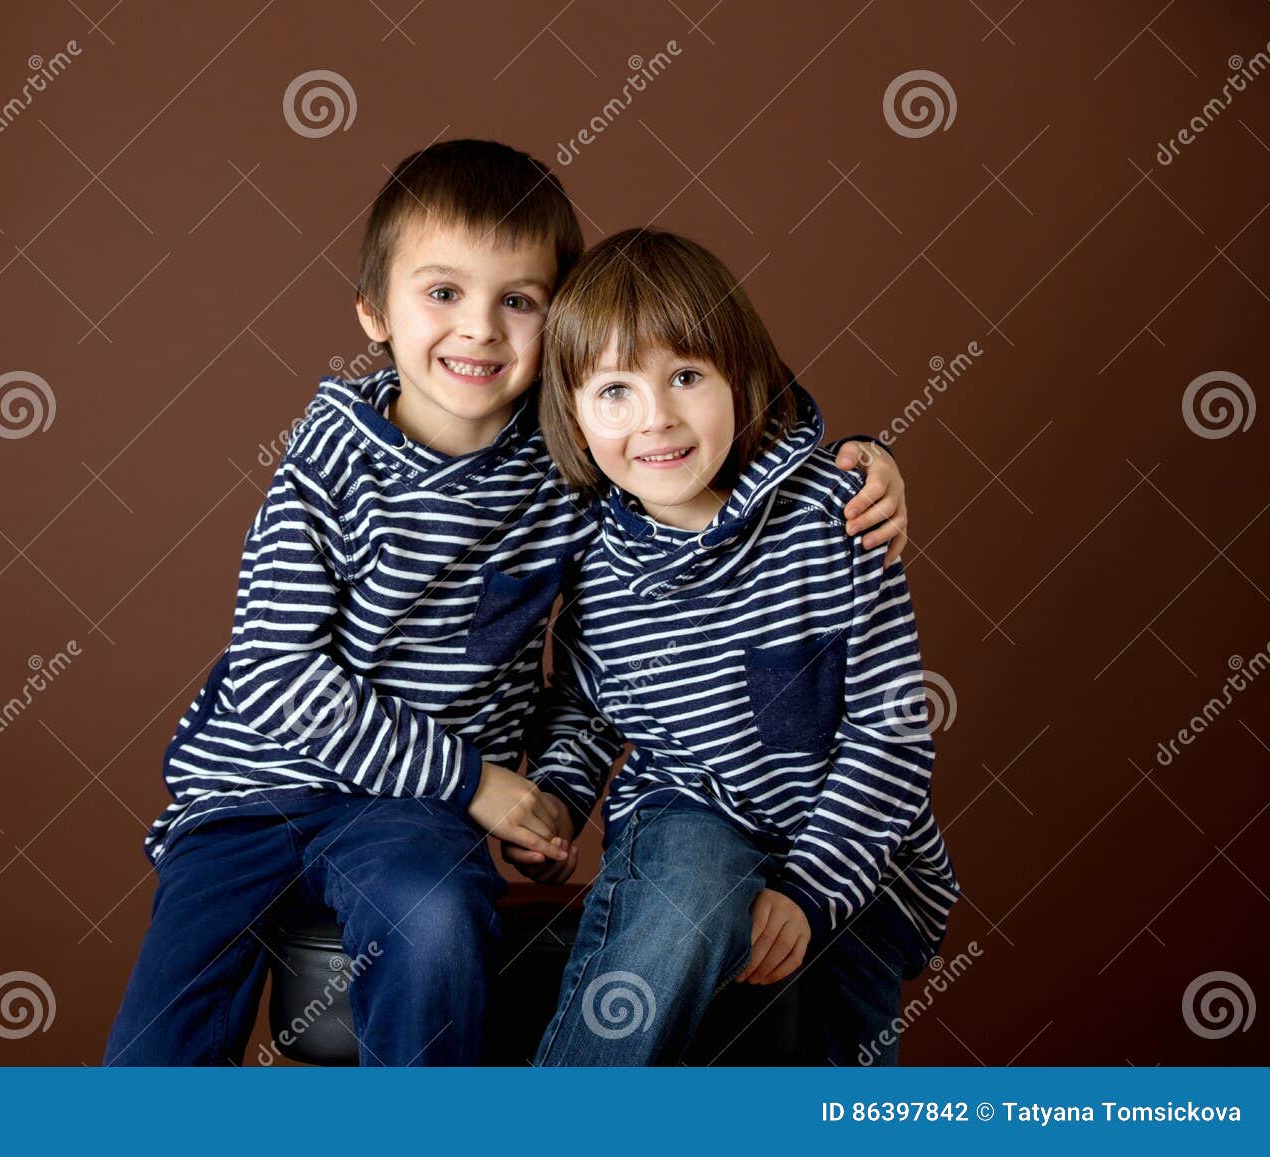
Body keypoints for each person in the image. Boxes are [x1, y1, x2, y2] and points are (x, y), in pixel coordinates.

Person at [104, 142, 907, 1066]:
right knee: (157, 1044)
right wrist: (480, 784)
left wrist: (859, 458)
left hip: (407, 815)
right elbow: (278, 676)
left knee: (438, 920)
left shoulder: (571, 458)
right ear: (374, 311)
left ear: (556, 327)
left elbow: (702, 465)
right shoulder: (323, 467)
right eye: (443, 293)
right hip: (253, 789)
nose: (479, 329)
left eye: (518, 301)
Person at [516, 227, 958, 1066]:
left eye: (686, 376)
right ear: (573, 413)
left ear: (738, 376)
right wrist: (561, 801)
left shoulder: (835, 517)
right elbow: (585, 706)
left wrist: (808, 889)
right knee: (683, 897)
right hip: (692, 811)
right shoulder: (596, 557)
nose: (658, 419)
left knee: (837, 1057)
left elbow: (891, 731)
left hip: (851, 838)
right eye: (614, 390)